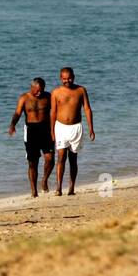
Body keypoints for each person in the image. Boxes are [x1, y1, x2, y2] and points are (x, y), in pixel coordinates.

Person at [49, 67, 96, 196]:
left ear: (73, 77)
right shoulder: (56, 92)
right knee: (61, 157)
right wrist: (52, 130)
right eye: (64, 78)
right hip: (61, 127)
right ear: (60, 78)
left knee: (73, 159)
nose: (67, 81)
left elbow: (87, 108)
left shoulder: (81, 90)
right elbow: (53, 112)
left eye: (69, 78)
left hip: (76, 127)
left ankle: (71, 188)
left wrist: (91, 128)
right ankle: (58, 188)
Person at [8, 79, 54, 197]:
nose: (39, 93)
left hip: (46, 129)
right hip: (31, 131)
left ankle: (44, 180)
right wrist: (13, 125)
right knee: (33, 162)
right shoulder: (24, 98)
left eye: (42, 90)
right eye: (37, 90)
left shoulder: (48, 96)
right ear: (31, 87)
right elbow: (17, 113)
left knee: (50, 158)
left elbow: (55, 111)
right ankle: (34, 190)